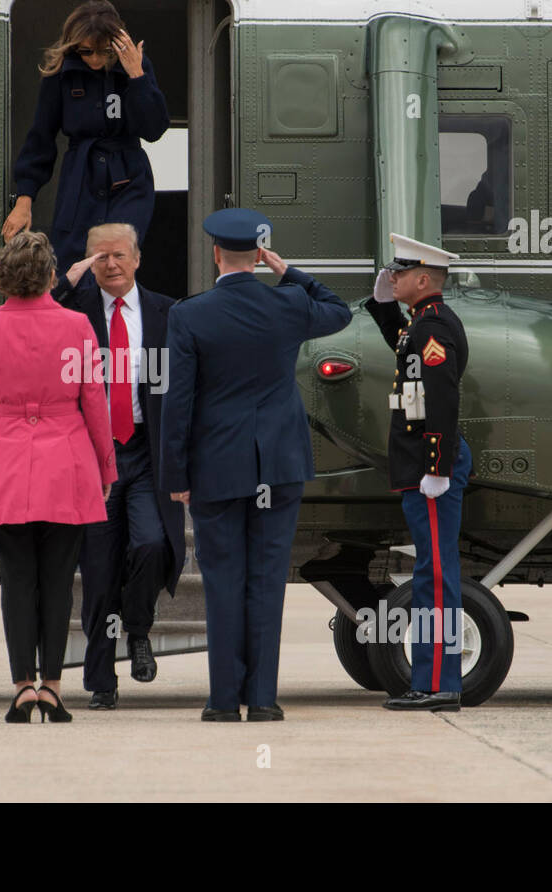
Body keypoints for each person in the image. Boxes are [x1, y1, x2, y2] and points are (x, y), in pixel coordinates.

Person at [160, 209, 352, 722]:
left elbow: (177, 402)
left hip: (216, 467)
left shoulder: (190, 314)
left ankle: (223, 701)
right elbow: (339, 311)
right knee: (266, 581)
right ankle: (263, 699)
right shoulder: (288, 303)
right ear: (259, 257)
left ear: (216, 254)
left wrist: (175, 475)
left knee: (223, 583)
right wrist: (290, 273)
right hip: (279, 465)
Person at [0, 230, 118, 723]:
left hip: (3, 459)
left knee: (16, 580)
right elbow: (94, 401)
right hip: (66, 460)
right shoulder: (77, 327)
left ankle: (21, 686)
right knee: (57, 580)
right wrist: (105, 466)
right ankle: (52, 686)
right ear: (52, 275)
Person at [51, 223, 186, 710]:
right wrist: (67, 282)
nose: (110, 264)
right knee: (99, 571)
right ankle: (101, 682)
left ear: (137, 259)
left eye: (119, 255)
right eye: (99, 256)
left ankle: (138, 629)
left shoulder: (168, 312)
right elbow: (31, 310)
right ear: (87, 262)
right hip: (94, 458)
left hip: (146, 455)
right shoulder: (73, 313)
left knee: (152, 544)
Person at [365, 234, 473, 712]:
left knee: (437, 575)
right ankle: (430, 680)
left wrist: (437, 466)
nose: (394, 278)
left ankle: (440, 683)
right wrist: (382, 306)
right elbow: (403, 351)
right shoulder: (421, 326)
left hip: (430, 467)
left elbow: (442, 399)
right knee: (430, 574)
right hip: (420, 465)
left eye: (400, 274)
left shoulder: (434, 329)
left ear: (424, 279)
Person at [4, 0, 170, 283]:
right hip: (80, 180)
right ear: (74, 45)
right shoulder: (60, 74)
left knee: (116, 260)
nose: (95, 60)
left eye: (104, 52)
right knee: (72, 263)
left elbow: (154, 130)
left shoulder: (137, 67)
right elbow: (40, 137)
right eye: (86, 51)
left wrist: (137, 76)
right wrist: (24, 200)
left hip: (129, 178)